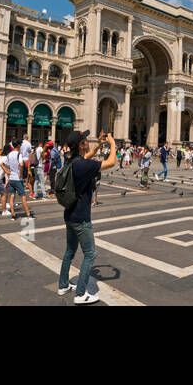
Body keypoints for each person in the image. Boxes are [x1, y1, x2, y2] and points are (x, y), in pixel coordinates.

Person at [56, 130, 117, 305]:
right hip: (81, 218)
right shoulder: (84, 166)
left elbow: (88, 155)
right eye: (86, 139)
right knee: (90, 254)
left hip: (69, 214)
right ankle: (81, 294)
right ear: (82, 144)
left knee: (69, 252)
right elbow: (111, 162)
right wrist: (112, 143)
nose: (88, 141)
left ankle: (63, 285)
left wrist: (99, 144)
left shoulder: (72, 161)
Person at [4, 141, 32, 218]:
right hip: (17, 178)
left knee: (12, 196)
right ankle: (28, 214)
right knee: (23, 196)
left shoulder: (9, 154)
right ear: (19, 145)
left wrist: (7, 171)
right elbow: (21, 164)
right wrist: (21, 173)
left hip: (11, 178)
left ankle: (13, 213)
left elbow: (5, 164)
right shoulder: (19, 154)